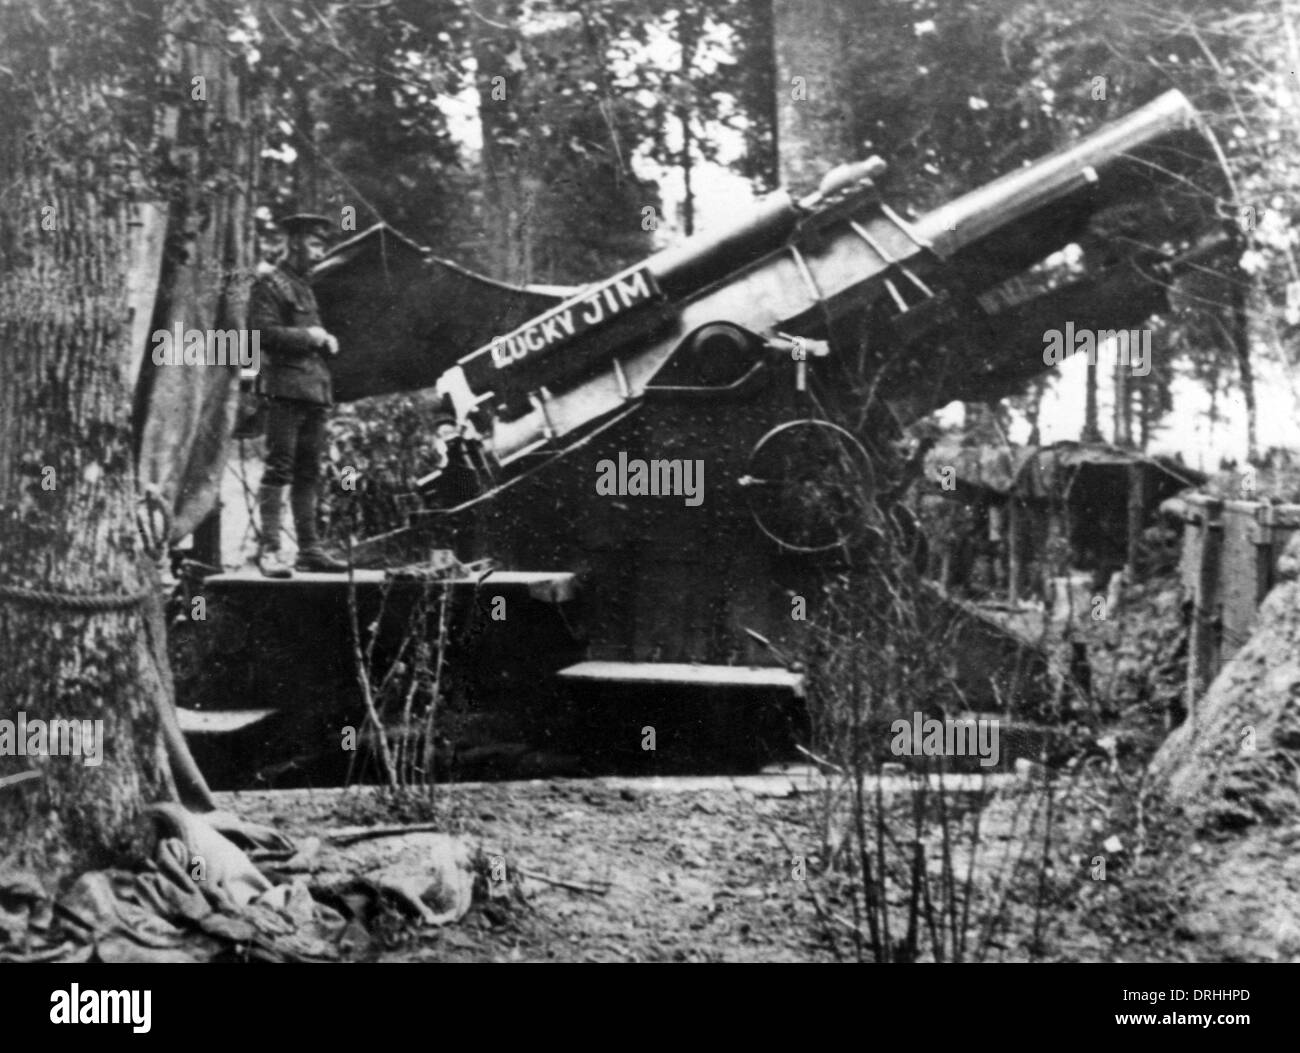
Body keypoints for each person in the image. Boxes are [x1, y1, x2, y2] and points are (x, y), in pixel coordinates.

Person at [248, 212, 348, 576]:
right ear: (294, 242)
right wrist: (312, 337)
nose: (320, 252)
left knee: (308, 472)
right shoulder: (269, 283)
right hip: (284, 390)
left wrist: (325, 341)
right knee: (279, 469)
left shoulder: (304, 286)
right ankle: (270, 551)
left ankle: (310, 549)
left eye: (323, 245)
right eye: (315, 243)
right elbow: (261, 334)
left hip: (313, 390)